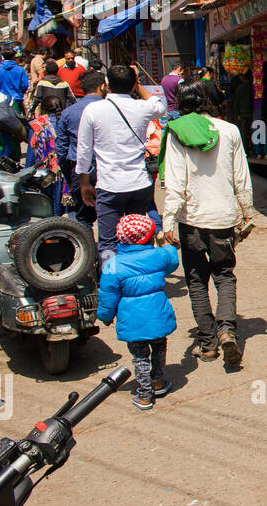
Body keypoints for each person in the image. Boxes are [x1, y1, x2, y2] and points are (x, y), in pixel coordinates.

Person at [161, 81, 254, 367]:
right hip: (224, 217)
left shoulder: (177, 132)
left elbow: (175, 182)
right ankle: (227, 331)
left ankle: (207, 342)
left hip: (192, 220)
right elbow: (241, 177)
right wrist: (247, 212)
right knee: (224, 274)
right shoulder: (230, 130)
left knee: (196, 279)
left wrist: (168, 221)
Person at [75, 64, 166, 262]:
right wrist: (139, 86)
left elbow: (83, 150)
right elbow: (160, 105)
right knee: (136, 237)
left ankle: (111, 277)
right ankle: (135, 276)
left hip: (110, 185)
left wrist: (84, 182)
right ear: (133, 84)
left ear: (107, 85)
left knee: (108, 242)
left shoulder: (93, 110)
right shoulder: (142, 107)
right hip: (139, 184)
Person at [96, 214, 179, 411]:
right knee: (159, 347)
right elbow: (172, 257)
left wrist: (105, 317)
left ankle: (144, 394)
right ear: (149, 237)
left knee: (140, 357)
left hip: (132, 320)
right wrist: (161, 242)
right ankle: (158, 381)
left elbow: (108, 295)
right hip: (158, 314)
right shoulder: (158, 256)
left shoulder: (113, 265)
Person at [56, 71, 106, 230]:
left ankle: (89, 252)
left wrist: (70, 177)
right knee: (110, 216)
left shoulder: (69, 112)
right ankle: (109, 252)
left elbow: (61, 150)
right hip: (108, 169)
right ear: (102, 87)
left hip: (80, 171)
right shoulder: (111, 109)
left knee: (84, 219)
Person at [0, 49, 29, 114]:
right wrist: (20, 92)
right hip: (16, 99)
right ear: (14, 57)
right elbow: (25, 85)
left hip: (0, 99)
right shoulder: (20, 69)